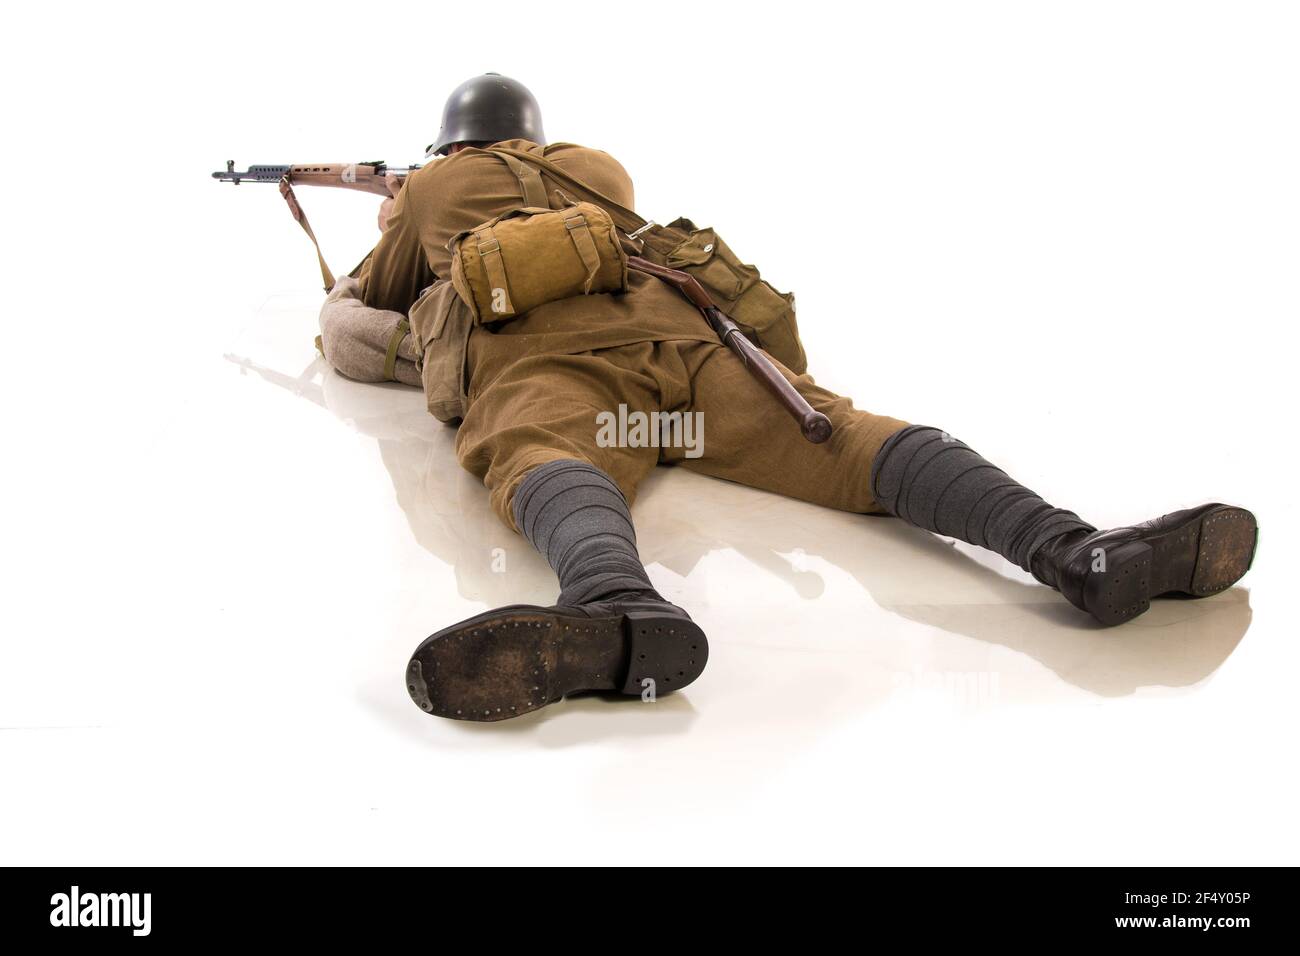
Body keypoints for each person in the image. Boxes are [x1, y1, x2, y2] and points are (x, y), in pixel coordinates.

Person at [317, 73, 1258, 722]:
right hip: (688, 344)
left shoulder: (439, 183)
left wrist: (395, 214)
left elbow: (364, 319)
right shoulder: (599, 170)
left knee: (542, 452)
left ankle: (617, 608)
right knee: (847, 438)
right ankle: (1075, 550)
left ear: (445, 141)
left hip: (556, 361)